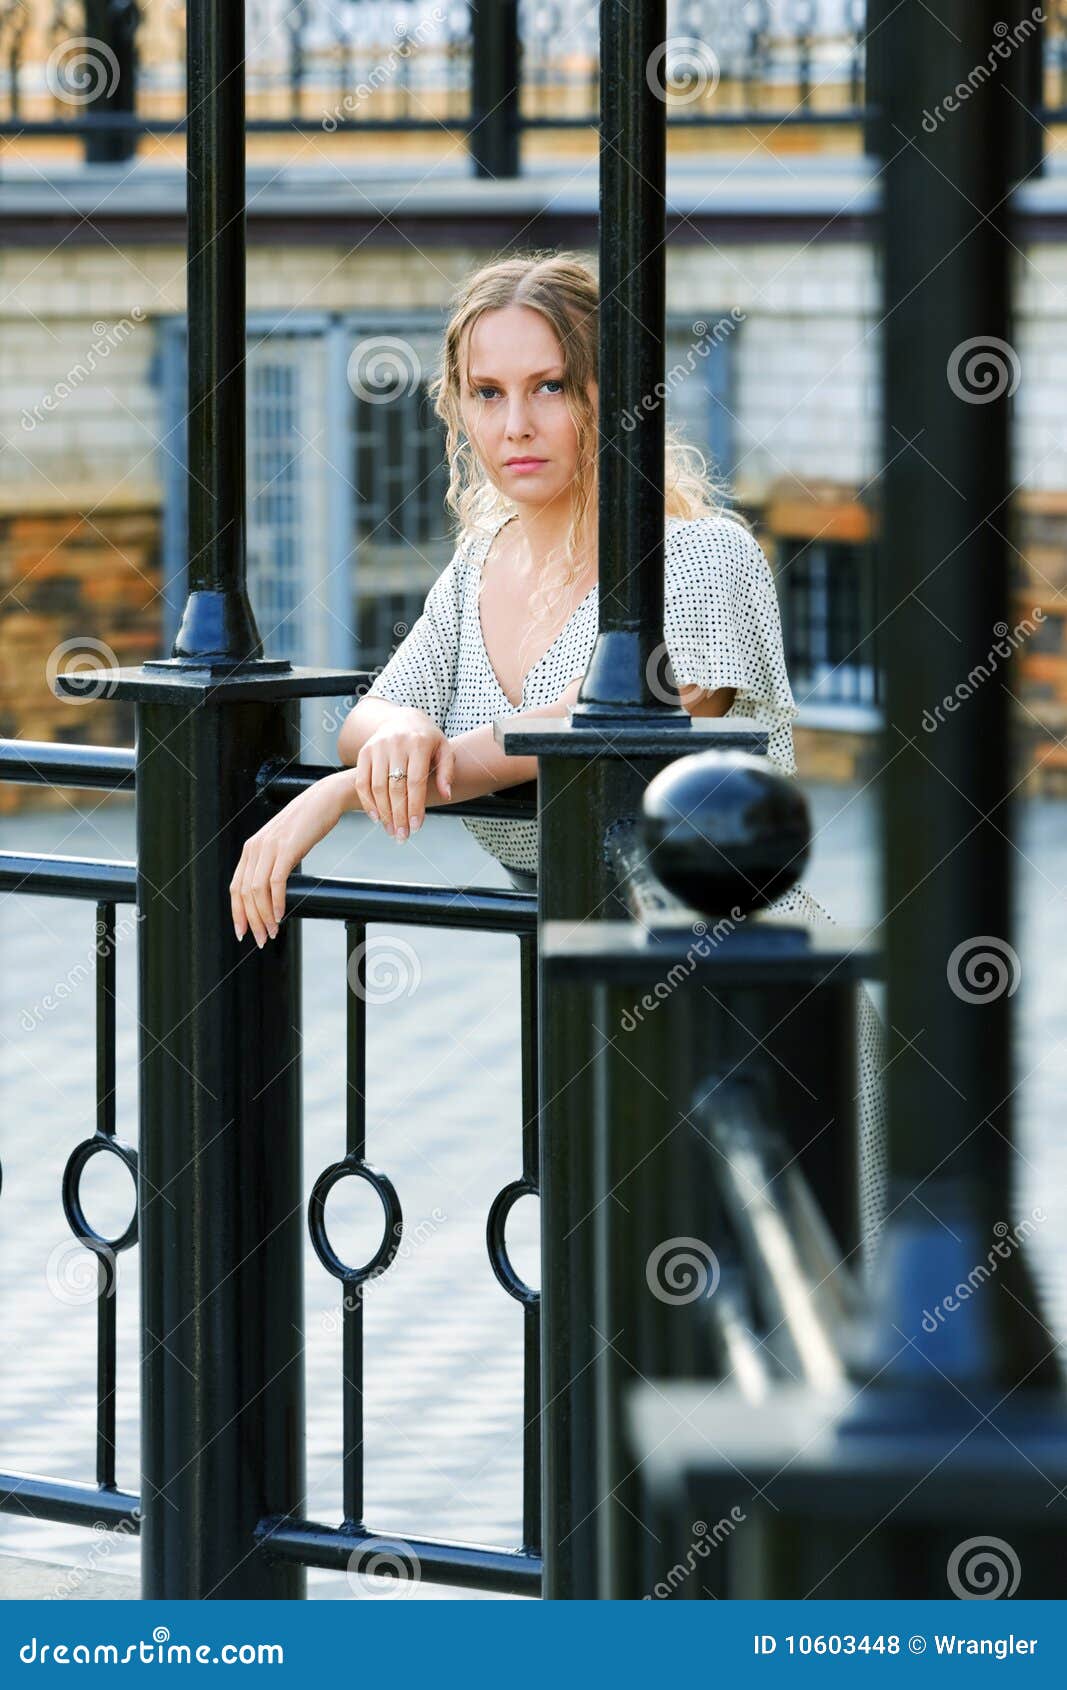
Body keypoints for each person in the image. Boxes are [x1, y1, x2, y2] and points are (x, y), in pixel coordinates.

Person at [228, 251, 887, 1260]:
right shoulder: (480, 559)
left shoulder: (697, 557)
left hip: (738, 1001)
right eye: (486, 394)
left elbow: (577, 733)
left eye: (550, 388)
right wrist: (394, 735)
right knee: (621, 1332)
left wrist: (328, 801)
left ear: (610, 397)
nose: (514, 426)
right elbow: (376, 714)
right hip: (598, 998)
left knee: (807, 1323)